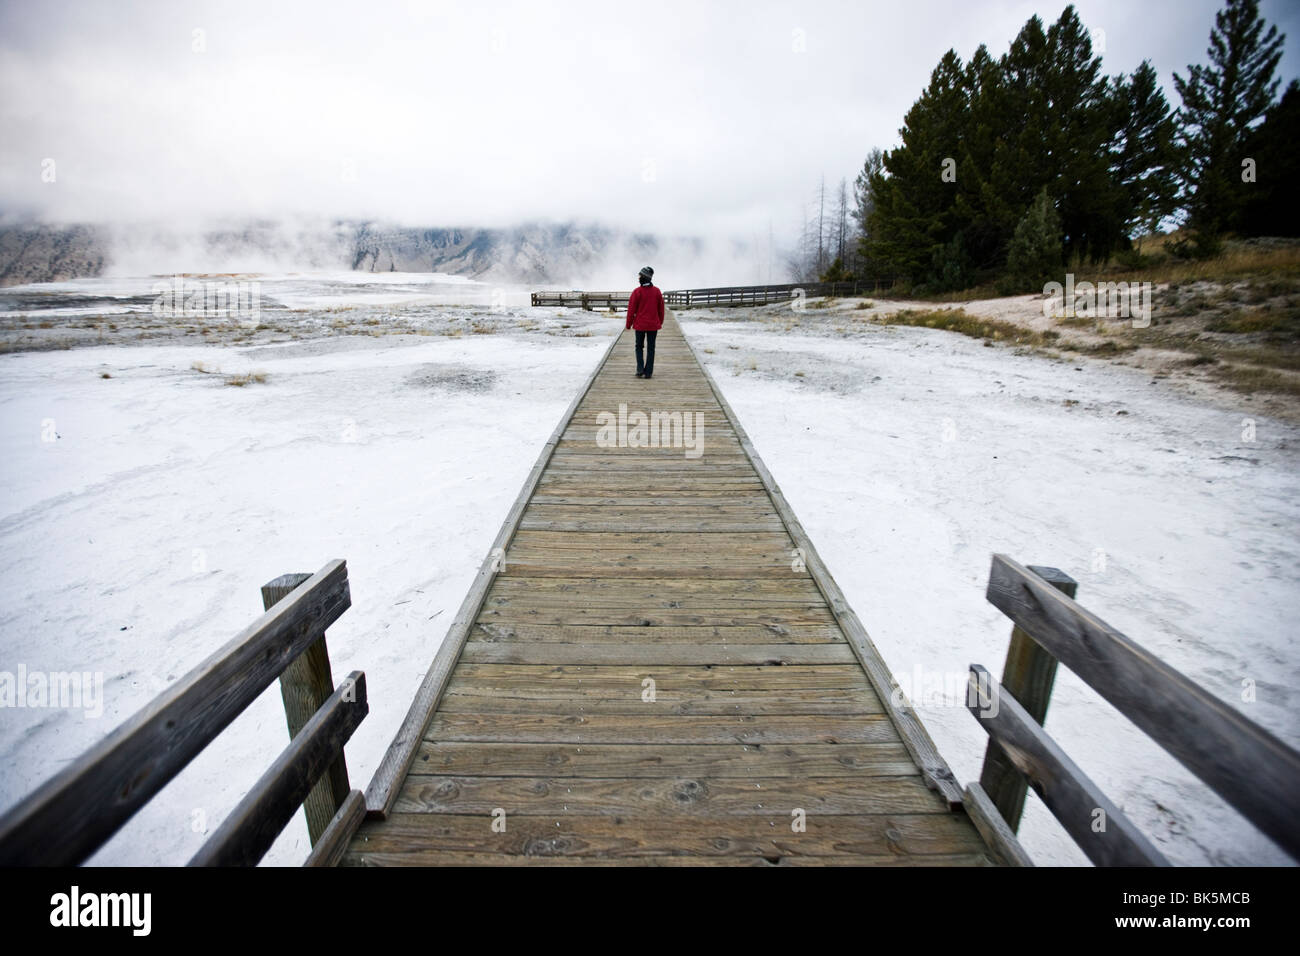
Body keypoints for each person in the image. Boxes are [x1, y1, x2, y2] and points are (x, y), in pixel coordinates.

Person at [626, 266, 664, 379]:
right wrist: (659, 322)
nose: (638, 278)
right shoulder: (657, 291)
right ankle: (648, 372)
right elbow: (661, 310)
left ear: (644, 277)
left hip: (640, 325)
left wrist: (628, 324)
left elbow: (631, 310)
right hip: (653, 325)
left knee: (639, 347)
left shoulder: (637, 292)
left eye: (640, 276)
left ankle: (640, 369)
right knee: (651, 348)